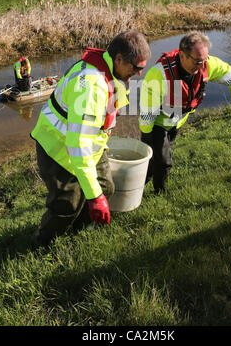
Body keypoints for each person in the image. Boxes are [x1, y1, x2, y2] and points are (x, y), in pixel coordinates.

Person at [30, 30, 151, 247]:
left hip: (88, 145)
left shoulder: (110, 70)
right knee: (67, 205)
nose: (140, 74)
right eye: (136, 67)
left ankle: (78, 231)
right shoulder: (91, 88)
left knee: (106, 187)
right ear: (119, 59)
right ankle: (42, 244)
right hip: (58, 148)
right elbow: (78, 145)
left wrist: (98, 194)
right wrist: (95, 198)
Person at [139, 31, 231, 194]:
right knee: (163, 161)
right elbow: (147, 113)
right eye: (197, 61)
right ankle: (158, 193)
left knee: (154, 161)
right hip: (156, 124)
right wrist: (147, 137)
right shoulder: (159, 74)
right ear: (182, 55)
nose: (201, 67)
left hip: (176, 122)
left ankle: (138, 185)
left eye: (204, 61)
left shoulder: (207, 65)